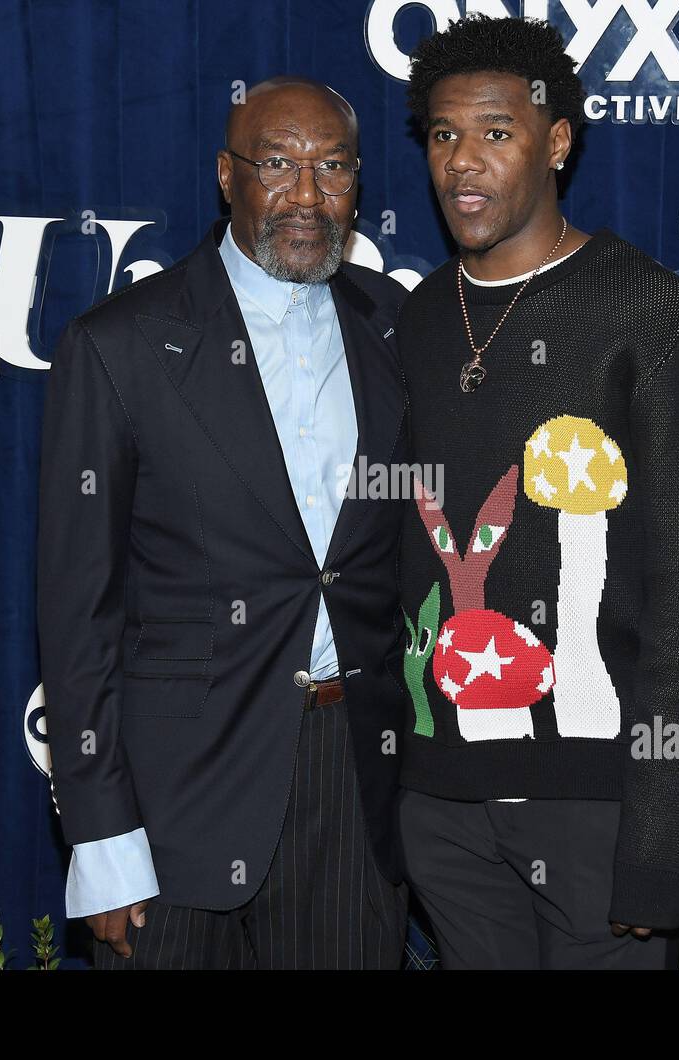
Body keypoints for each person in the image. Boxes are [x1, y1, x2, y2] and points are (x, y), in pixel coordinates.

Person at [393, 14, 679, 969]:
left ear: (557, 141)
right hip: (441, 804)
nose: (464, 164)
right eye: (443, 135)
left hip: (597, 808)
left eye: (496, 134)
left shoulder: (650, 315)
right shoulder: (421, 317)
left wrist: (664, 842)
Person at [36, 77, 411, 969]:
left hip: (351, 784)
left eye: (334, 168)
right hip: (175, 802)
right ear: (226, 176)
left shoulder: (400, 327)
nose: (308, 195)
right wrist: (101, 839)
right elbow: (74, 613)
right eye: (277, 165)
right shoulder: (120, 344)